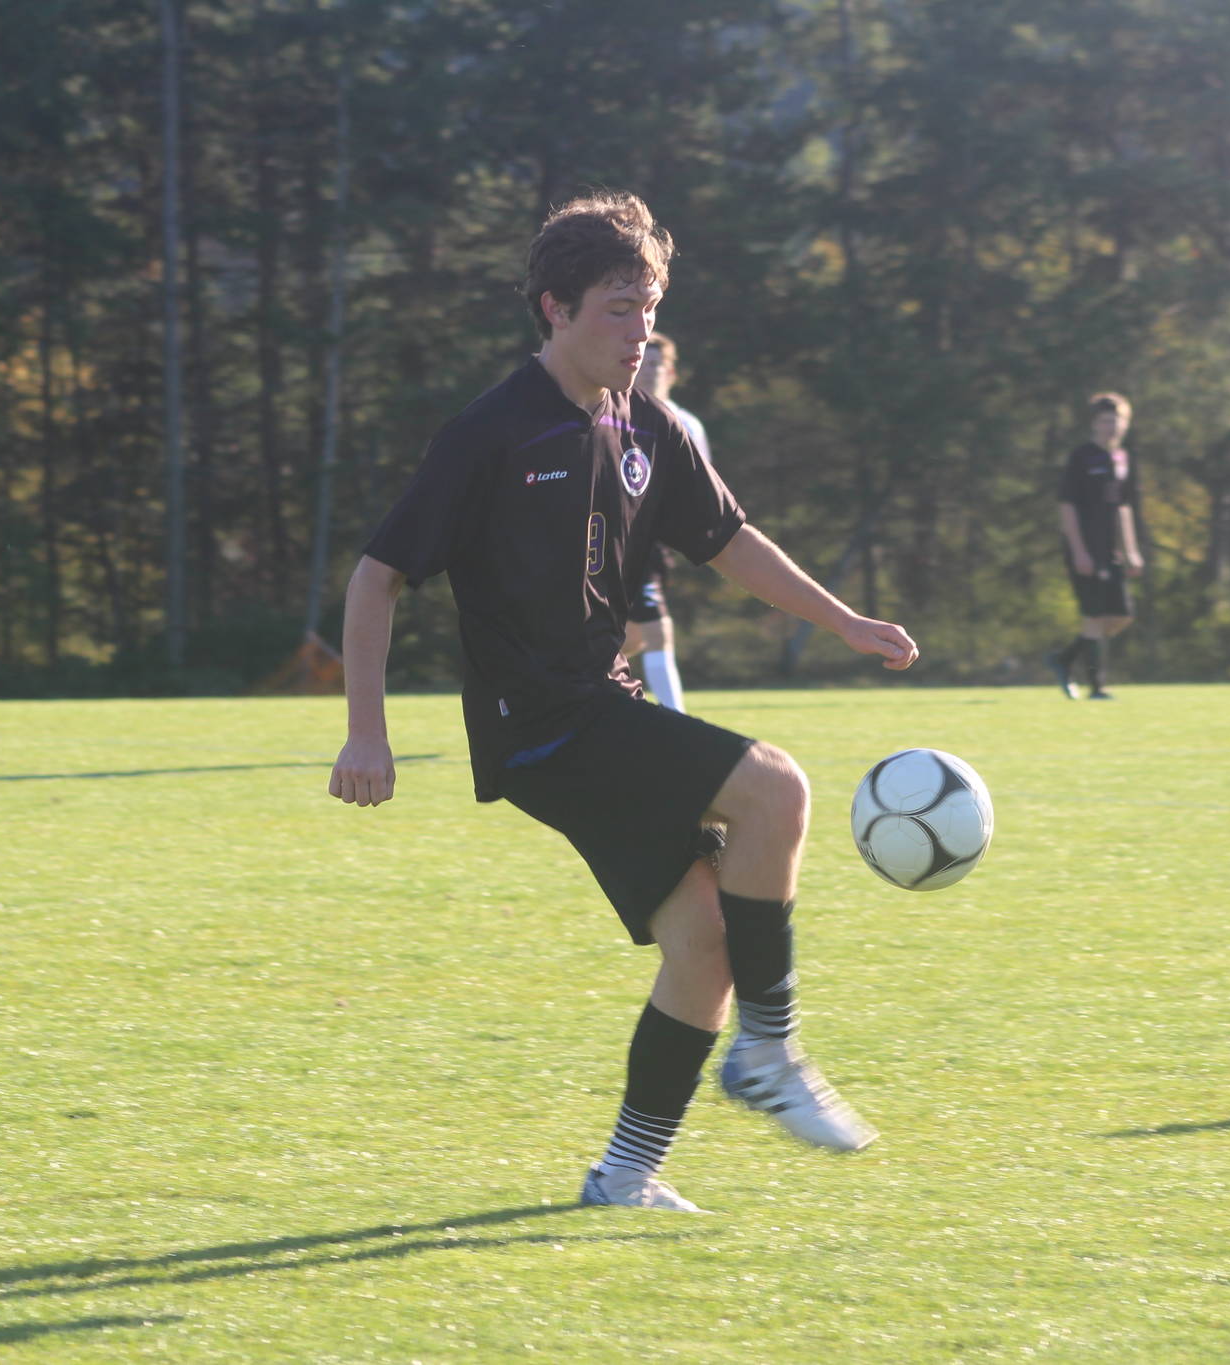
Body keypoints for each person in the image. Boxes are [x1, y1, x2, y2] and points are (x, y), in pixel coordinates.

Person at [327, 191, 919, 1213]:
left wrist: (842, 622)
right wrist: (365, 734)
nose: (637, 330)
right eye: (614, 308)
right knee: (773, 789)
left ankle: (626, 1174)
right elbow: (375, 577)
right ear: (552, 309)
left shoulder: (645, 417)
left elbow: (727, 539)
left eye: (646, 307)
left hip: (596, 706)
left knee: (702, 947)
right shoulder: (491, 432)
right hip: (543, 726)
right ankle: (770, 1053)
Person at [623, 332, 704, 712]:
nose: (651, 372)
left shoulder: (687, 424)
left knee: (631, 638)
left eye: (658, 365)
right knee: (657, 633)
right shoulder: (616, 415)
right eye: (644, 364)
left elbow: (704, 492)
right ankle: (680, 722)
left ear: (671, 373)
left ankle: (555, 676)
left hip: (658, 546)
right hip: (625, 540)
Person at [1049, 392, 1145, 700]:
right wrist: (1079, 551)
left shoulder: (1121, 458)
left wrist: (1130, 550)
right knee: (1093, 617)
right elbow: (1067, 506)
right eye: (1105, 420)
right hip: (1086, 549)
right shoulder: (1081, 457)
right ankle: (1097, 687)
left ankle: (1064, 659)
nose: (1112, 426)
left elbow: (1123, 507)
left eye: (1117, 420)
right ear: (1094, 424)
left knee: (1120, 616)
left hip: (1111, 551)